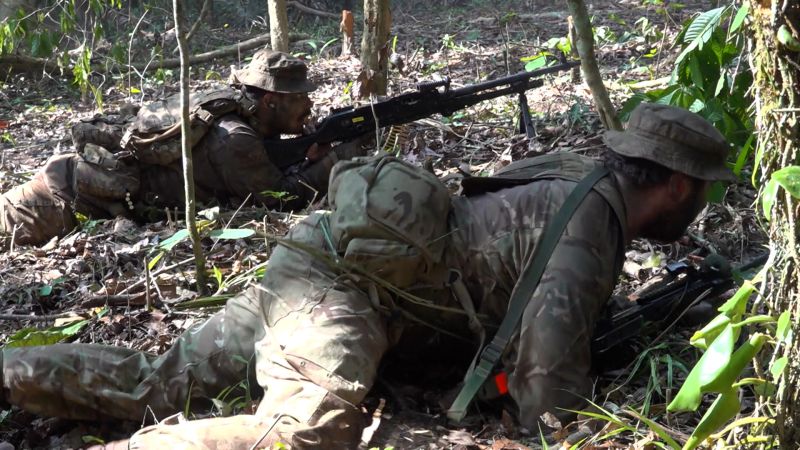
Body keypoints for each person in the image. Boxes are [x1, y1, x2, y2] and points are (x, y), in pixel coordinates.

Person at [0, 103, 735, 448]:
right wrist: (565, 422)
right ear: (675, 185)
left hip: (312, 260)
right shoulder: (592, 230)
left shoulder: (573, 176)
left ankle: (12, 371)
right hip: (344, 298)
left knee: (154, 379)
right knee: (307, 433)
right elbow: (547, 383)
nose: (698, 207)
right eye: (701, 193)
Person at [0, 49, 369, 247]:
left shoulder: (242, 119)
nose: (309, 105)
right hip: (62, 198)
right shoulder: (235, 138)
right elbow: (279, 198)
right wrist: (342, 156)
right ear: (272, 100)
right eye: (300, 97)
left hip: (78, 187)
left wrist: (312, 157)